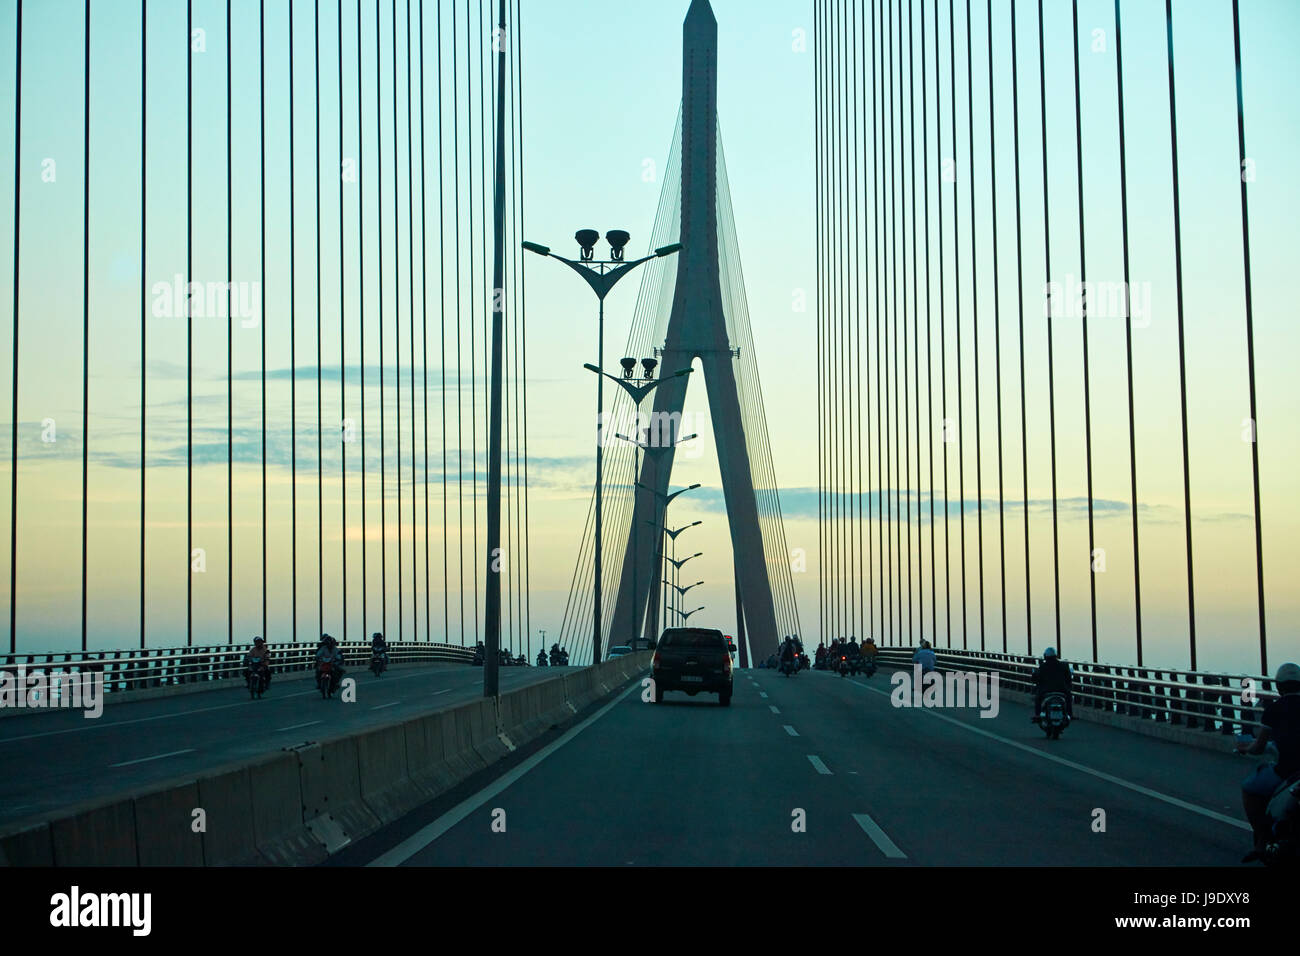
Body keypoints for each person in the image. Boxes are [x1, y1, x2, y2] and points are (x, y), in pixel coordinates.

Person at [1238, 662, 1300, 859]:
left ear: (1279, 686)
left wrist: (1246, 749)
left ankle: (1262, 841)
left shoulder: (1274, 709)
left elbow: (1258, 747)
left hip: (1286, 771)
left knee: (1249, 789)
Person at [1030, 647, 1072, 721]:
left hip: (1046, 691)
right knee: (1068, 697)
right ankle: (1070, 714)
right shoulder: (1064, 665)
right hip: (1062, 690)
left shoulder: (1043, 666)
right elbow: (1069, 678)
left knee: (1038, 698)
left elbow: (1035, 678)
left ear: (1045, 656)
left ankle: (1037, 715)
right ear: (1056, 655)